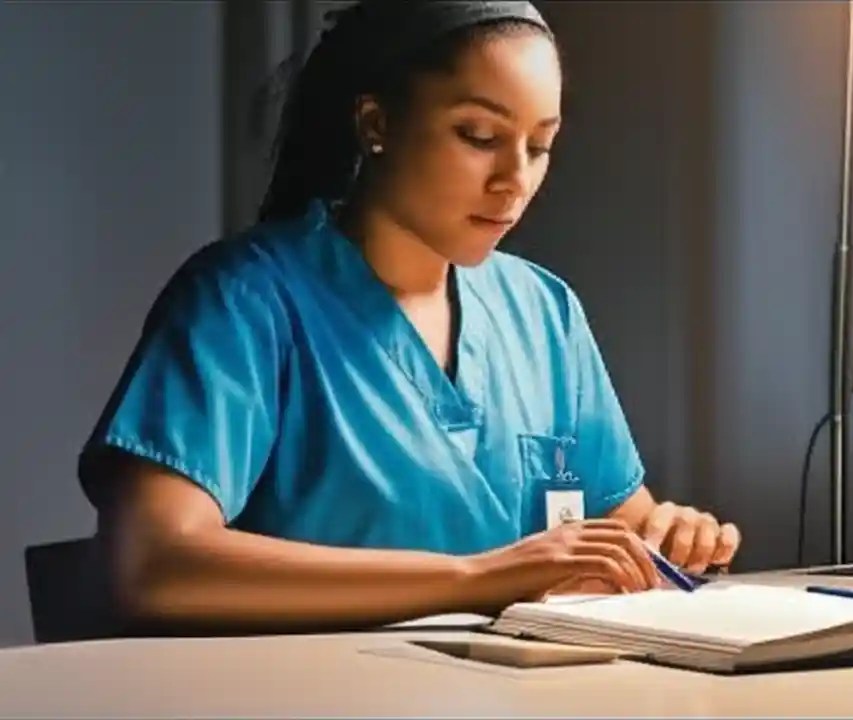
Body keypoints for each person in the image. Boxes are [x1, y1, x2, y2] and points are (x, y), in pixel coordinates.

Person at [77, 0, 740, 634]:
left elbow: (619, 527)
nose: (515, 178)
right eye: (479, 136)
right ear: (376, 125)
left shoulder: (543, 311)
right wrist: (476, 577)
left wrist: (671, 535)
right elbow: (154, 565)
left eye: (538, 146)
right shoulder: (246, 300)